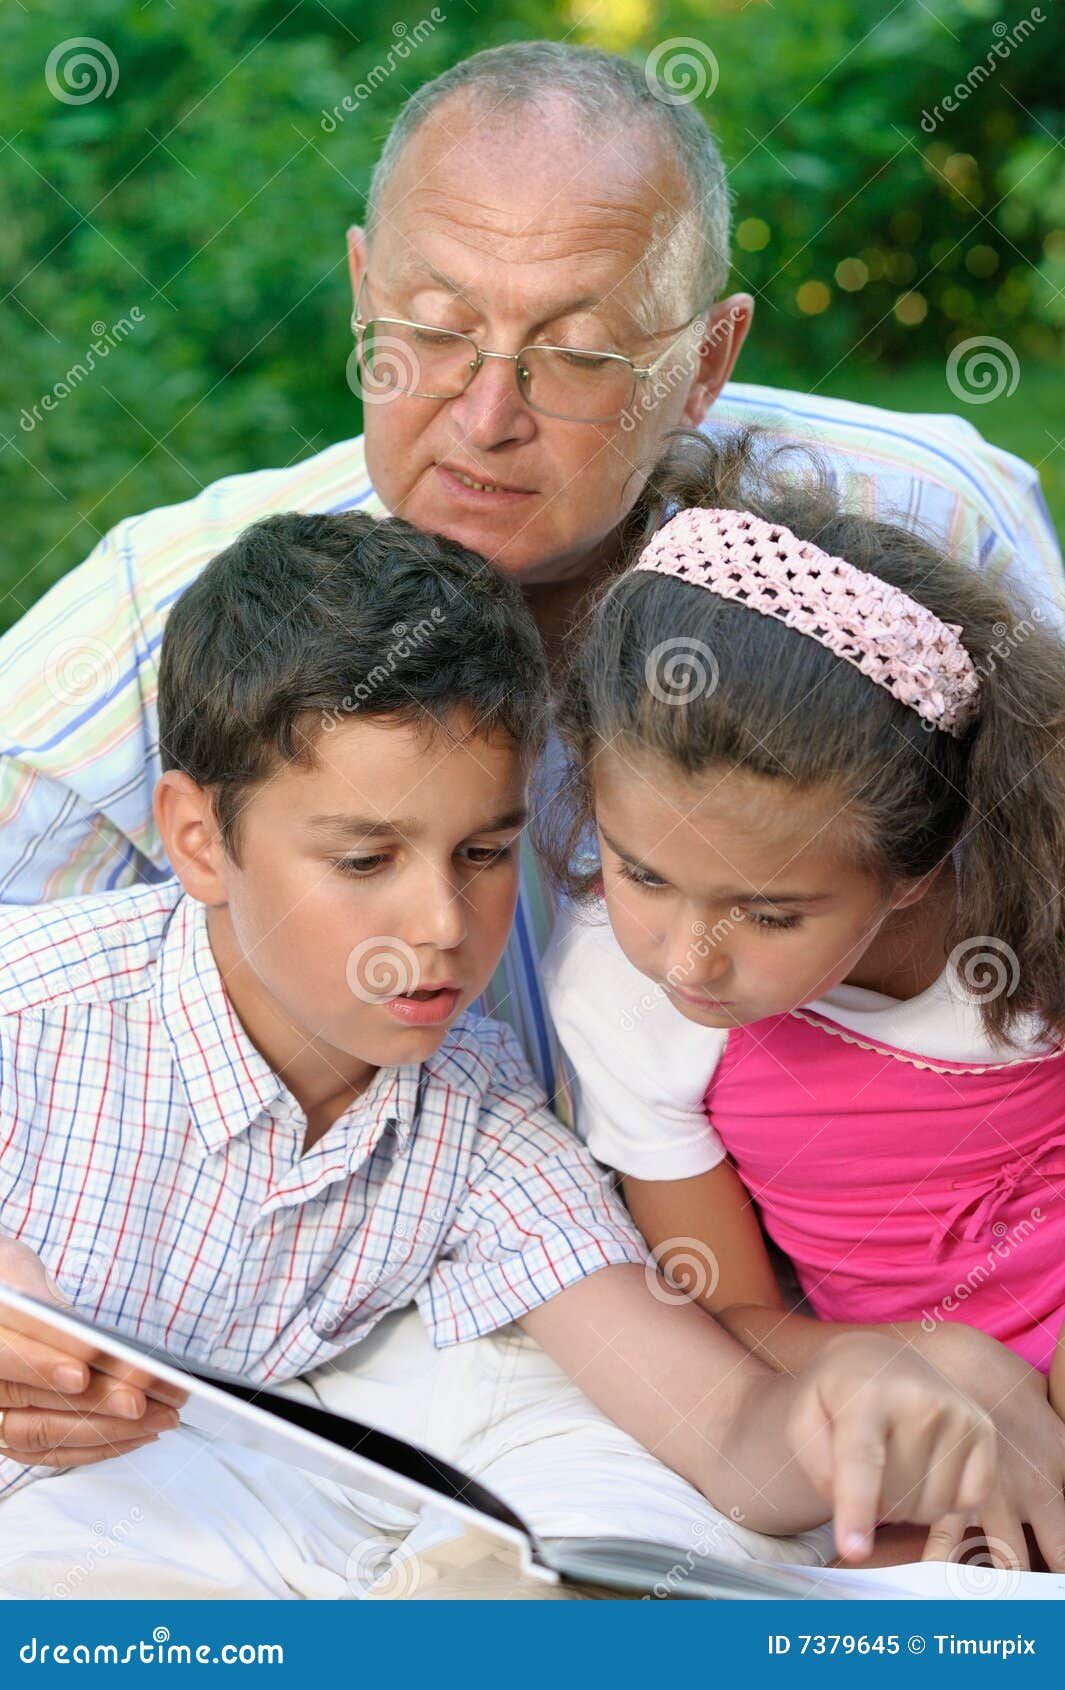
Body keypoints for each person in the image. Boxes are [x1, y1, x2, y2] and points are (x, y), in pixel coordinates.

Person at [0, 38, 1059, 1583]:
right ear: (361, 292)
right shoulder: (191, 602)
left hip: (686, 1307)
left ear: (704, 356)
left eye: (576, 357)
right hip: (375, 1310)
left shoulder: (917, 520)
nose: (483, 414)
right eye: (427, 332)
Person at [0, 509, 997, 1598]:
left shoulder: (475, 1118)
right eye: (365, 857)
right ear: (200, 841)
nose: (439, 921)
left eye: (484, 852)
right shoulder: (34, 1010)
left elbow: (718, 1426)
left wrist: (843, 1410)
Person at [543, 426, 1065, 1575]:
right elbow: (731, 1312)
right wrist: (931, 1365)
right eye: (641, 873)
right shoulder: (617, 992)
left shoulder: (1034, 901)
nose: (688, 958)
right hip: (900, 1380)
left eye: (771, 915)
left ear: (917, 869)